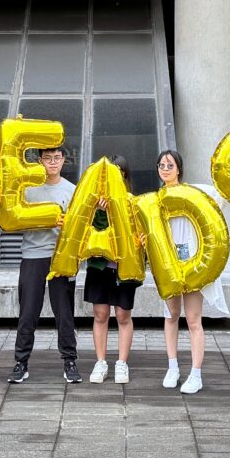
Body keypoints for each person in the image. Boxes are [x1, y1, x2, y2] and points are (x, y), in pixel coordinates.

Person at [7, 143, 82, 385]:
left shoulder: (72, 190)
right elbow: (15, 221)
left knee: (64, 312)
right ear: (39, 161)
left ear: (63, 161)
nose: (52, 162)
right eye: (47, 158)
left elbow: (78, 227)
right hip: (32, 255)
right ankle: (21, 362)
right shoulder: (27, 190)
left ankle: (70, 361)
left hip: (60, 256)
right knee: (28, 311)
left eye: (57, 157)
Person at [85, 155, 140, 384]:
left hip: (124, 270)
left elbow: (139, 234)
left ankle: (122, 363)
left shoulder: (132, 202)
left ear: (125, 177)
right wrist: (99, 211)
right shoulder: (94, 202)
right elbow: (89, 233)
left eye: (120, 173)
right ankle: (100, 362)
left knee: (123, 315)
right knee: (100, 314)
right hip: (99, 266)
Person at [157, 149, 206, 396]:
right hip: (169, 263)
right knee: (171, 314)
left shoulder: (192, 193)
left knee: (194, 318)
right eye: (161, 165)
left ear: (179, 169)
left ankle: (196, 374)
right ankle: (172, 367)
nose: (165, 168)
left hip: (192, 261)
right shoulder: (156, 199)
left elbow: (223, 195)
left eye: (170, 165)